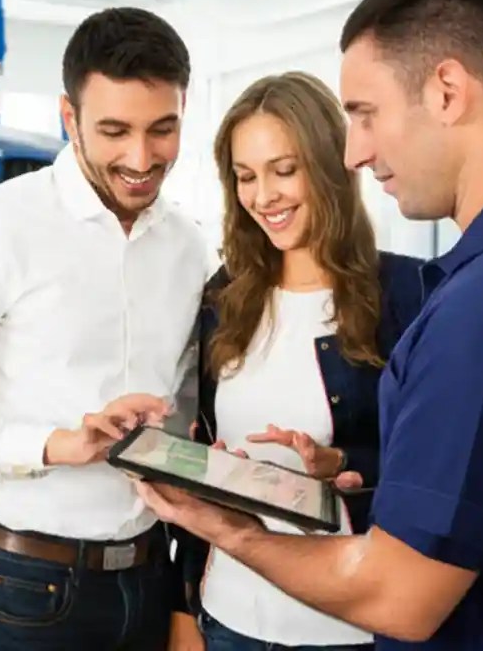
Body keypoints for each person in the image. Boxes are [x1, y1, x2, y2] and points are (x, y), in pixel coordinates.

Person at [138, 0, 483, 651]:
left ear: (447, 91)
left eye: (365, 115)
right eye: (245, 176)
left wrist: (230, 528)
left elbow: (399, 596)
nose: (356, 152)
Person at [0, 6, 216, 651]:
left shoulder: (189, 247)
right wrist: (56, 443)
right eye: (114, 130)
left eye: (163, 129)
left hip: (154, 577)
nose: (141, 158)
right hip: (30, 590)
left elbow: (186, 420)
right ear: (69, 118)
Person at [166, 72, 425, 651]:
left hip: (348, 627)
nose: (264, 196)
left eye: (285, 170)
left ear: (333, 164)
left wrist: (340, 463)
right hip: (228, 615)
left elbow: (443, 469)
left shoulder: (407, 295)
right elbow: (204, 443)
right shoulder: (223, 300)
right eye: (246, 176)